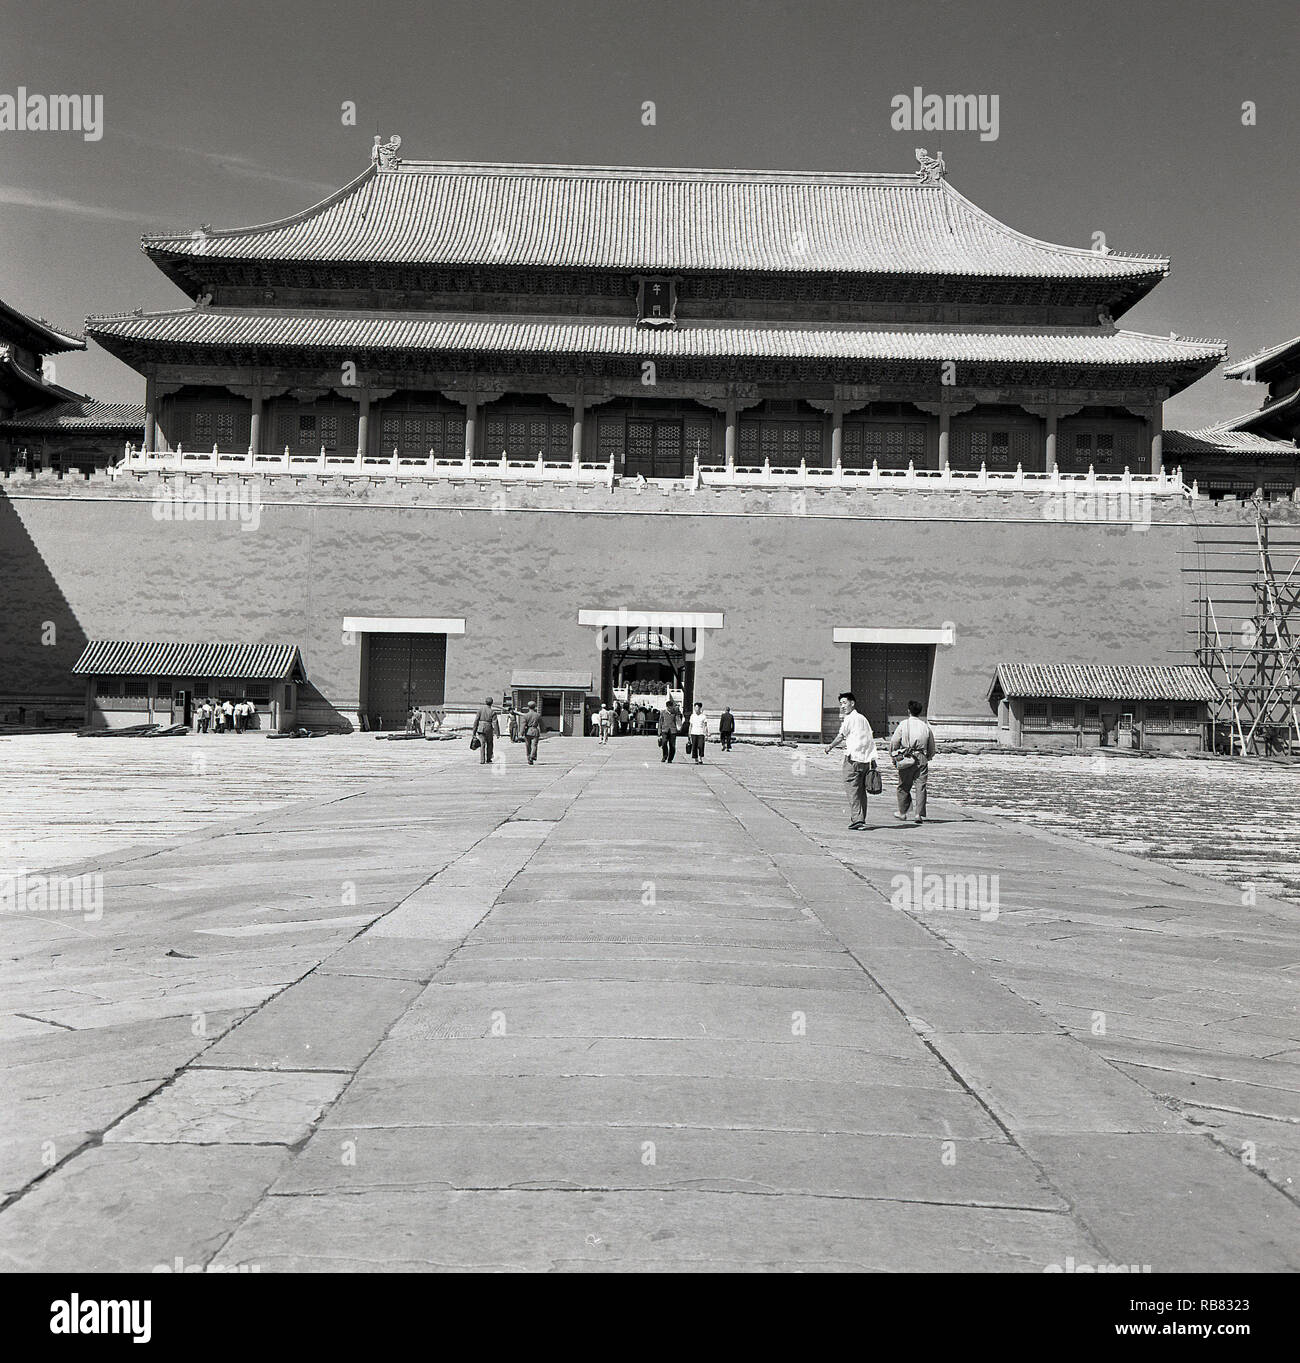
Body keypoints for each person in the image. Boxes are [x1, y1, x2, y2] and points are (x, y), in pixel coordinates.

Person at [825, 690, 877, 830]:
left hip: (852, 759)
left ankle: (857, 819)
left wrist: (830, 746)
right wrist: (872, 758)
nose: (842, 706)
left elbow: (841, 736)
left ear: (852, 703)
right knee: (861, 791)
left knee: (852, 789)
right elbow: (870, 739)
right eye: (841, 704)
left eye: (844, 703)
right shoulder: (863, 719)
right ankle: (861, 818)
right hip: (865, 760)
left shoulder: (850, 719)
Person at [890, 699, 937, 824]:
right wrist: (928, 757)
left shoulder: (903, 724)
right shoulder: (925, 726)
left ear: (908, 711)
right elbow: (932, 746)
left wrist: (894, 755)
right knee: (921, 787)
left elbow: (894, 741)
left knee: (903, 786)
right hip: (921, 757)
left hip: (907, 756)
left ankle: (903, 812)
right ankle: (918, 814)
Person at [474, 696, 499, 763]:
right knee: (490, 744)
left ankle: (482, 760)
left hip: (481, 728)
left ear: (485, 702)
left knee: (482, 744)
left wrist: (474, 731)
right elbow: (495, 723)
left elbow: (476, 720)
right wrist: (497, 733)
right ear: (492, 703)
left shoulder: (480, 710)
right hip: (489, 729)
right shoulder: (492, 712)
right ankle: (488, 758)